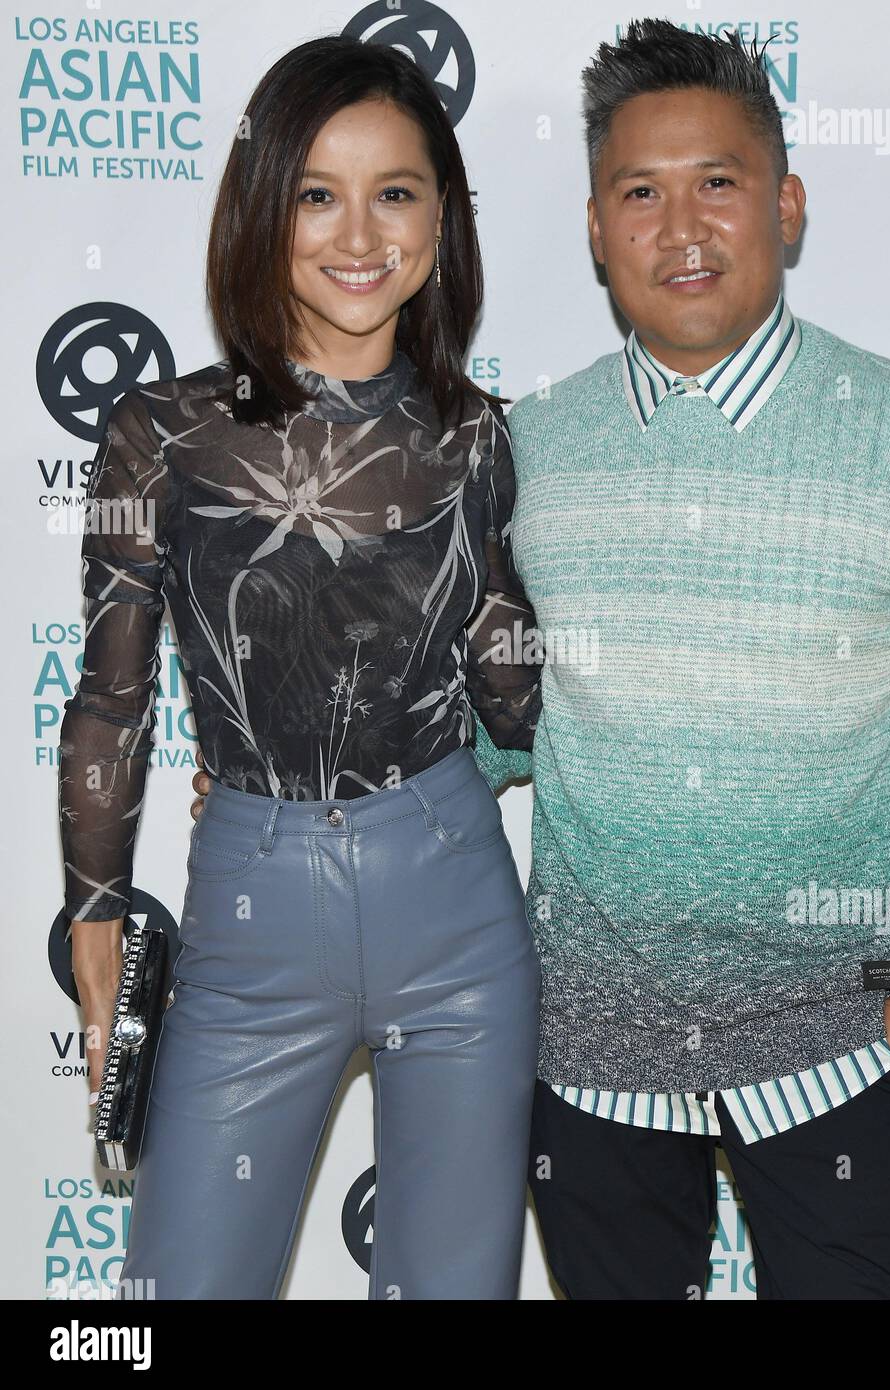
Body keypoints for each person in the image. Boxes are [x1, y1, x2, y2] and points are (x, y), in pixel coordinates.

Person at [499, 20, 890, 1299]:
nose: (679, 225)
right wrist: (314, 775)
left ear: (784, 205)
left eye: (717, 182)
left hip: (845, 1052)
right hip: (588, 1064)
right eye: (640, 191)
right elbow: (487, 716)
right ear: (593, 225)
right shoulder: (523, 450)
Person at [58, 35, 542, 1301]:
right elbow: (114, 695)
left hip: (457, 906)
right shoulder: (160, 433)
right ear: (262, 206)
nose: (358, 230)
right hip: (248, 916)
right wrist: (95, 910)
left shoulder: (478, 436)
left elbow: (514, 695)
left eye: (397, 189)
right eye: (317, 191)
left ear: (444, 215)